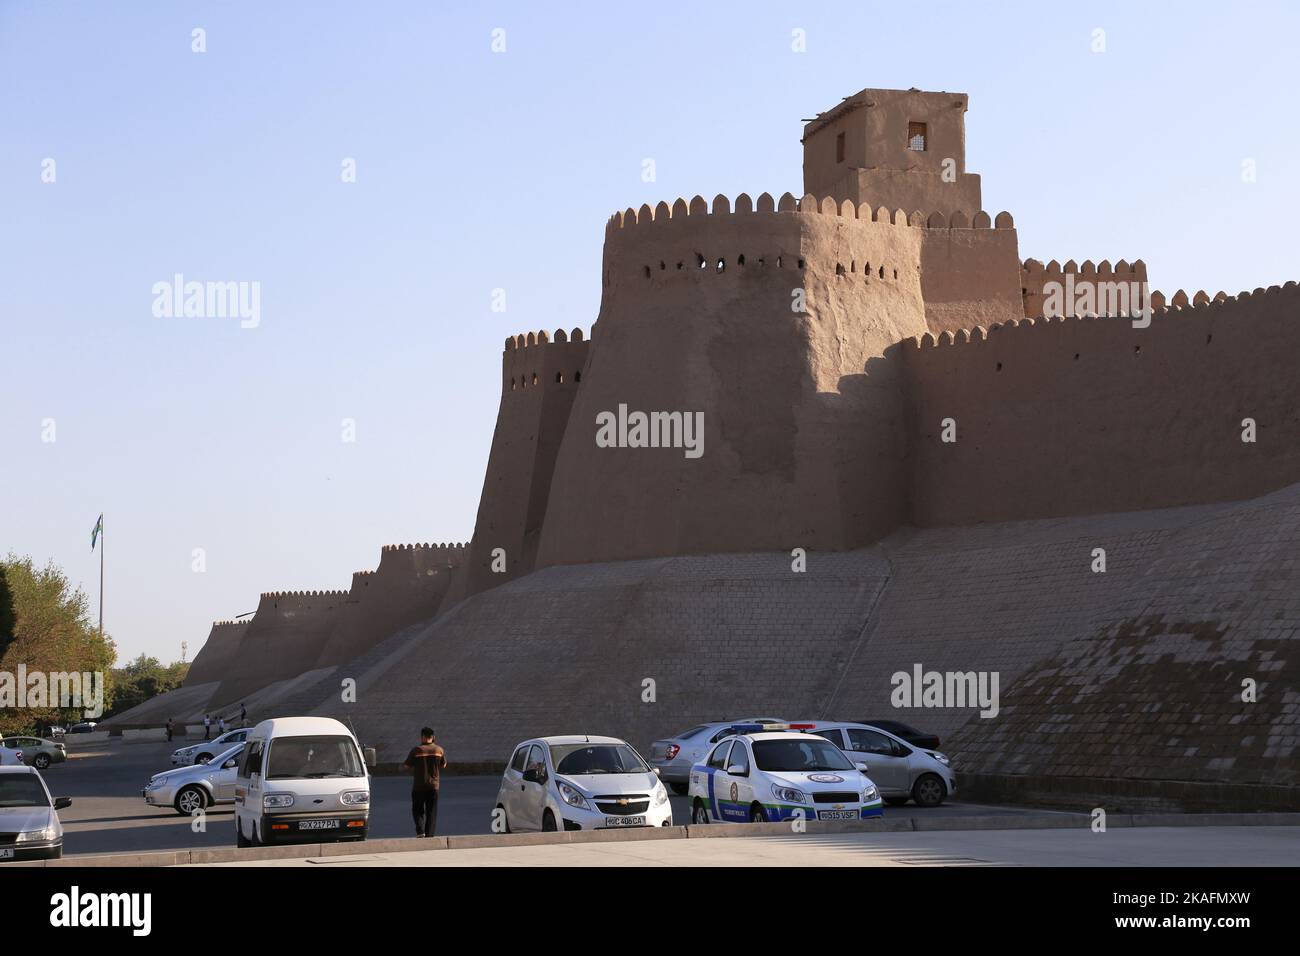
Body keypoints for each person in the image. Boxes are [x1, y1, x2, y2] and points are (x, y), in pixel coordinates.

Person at [402, 727, 447, 837]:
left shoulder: (417, 750)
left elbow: (406, 766)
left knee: (418, 810)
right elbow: (444, 765)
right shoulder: (439, 750)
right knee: (431, 811)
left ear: (422, 737)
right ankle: (430, 834)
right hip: (433, 786)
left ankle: (420, 831)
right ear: (433, 737)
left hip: (419, 786)